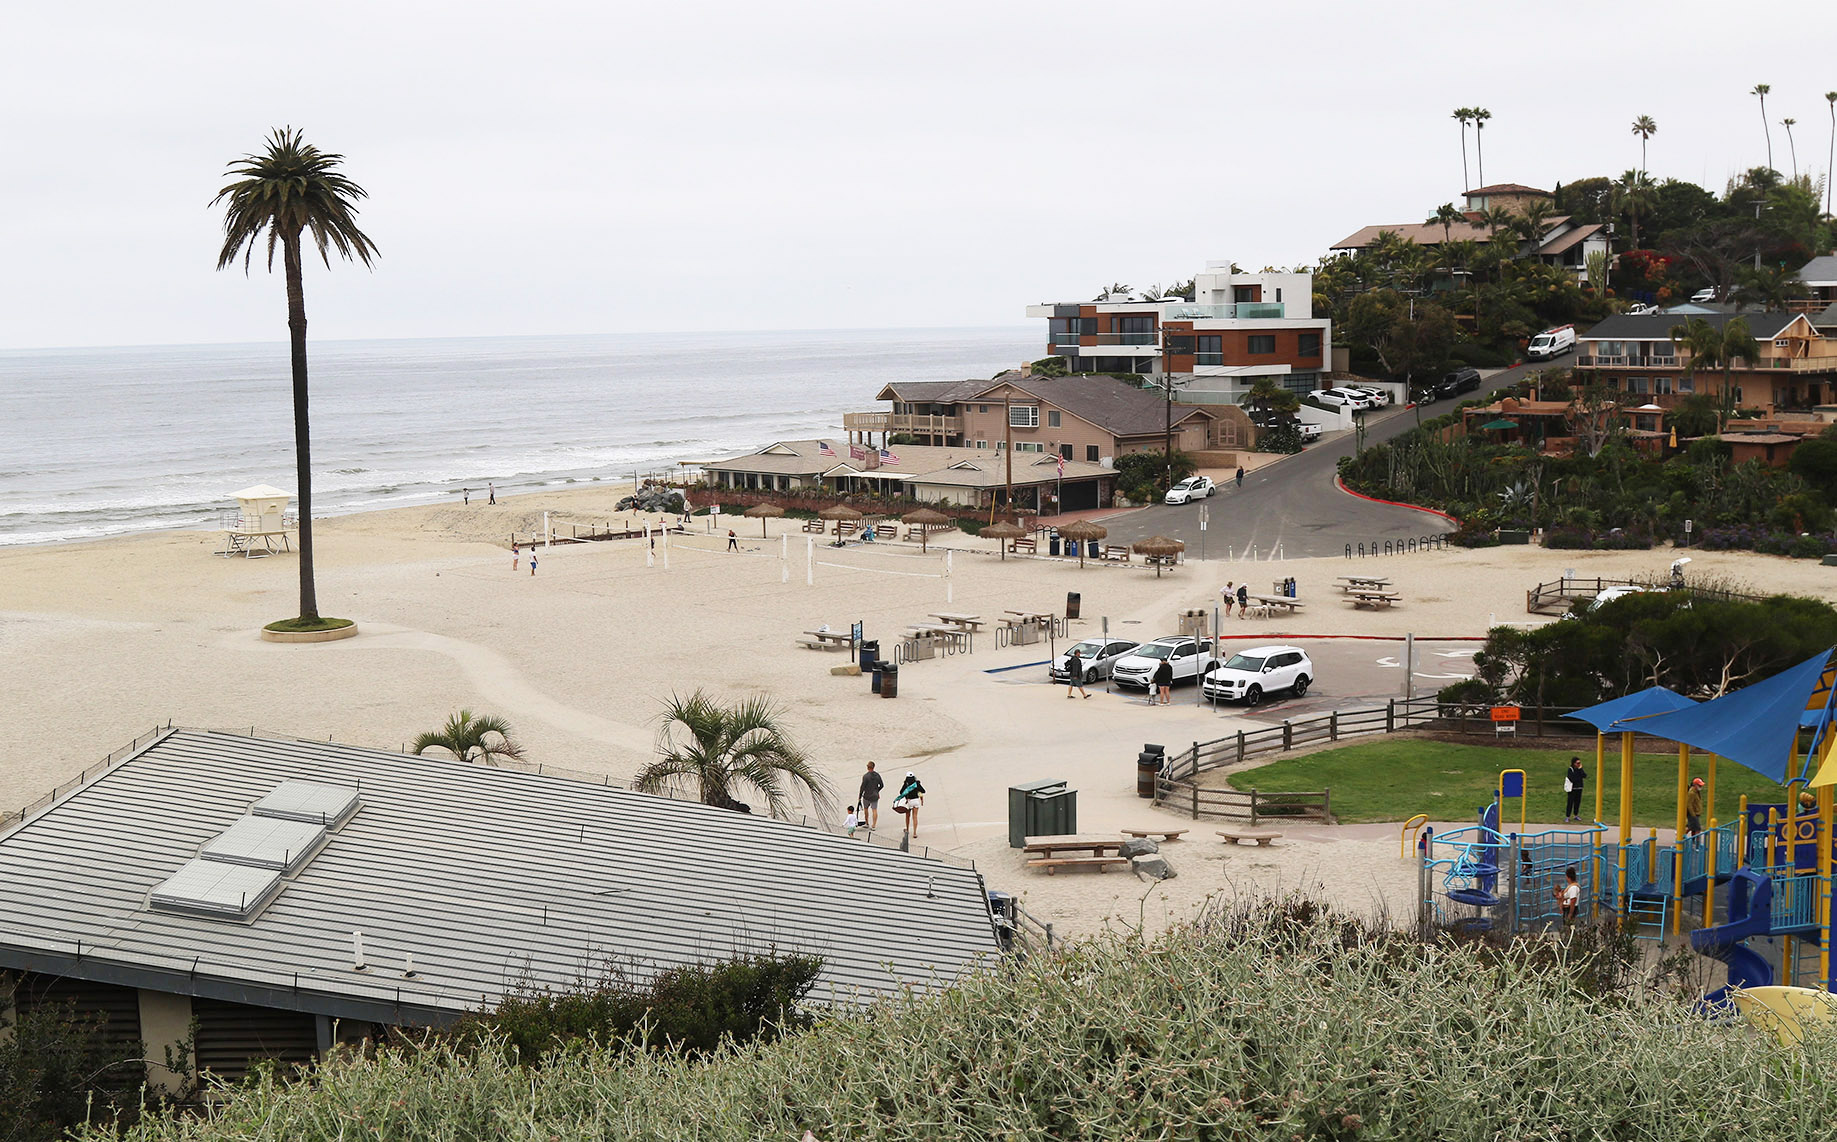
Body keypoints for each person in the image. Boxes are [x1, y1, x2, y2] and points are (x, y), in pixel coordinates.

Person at [895, 770, 926, 837]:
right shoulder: (916, 783)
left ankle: (907, 829)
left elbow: (901, 792)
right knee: (915, 817)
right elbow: (923, 791)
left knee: (907, 816)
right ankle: (914, 833)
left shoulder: (906, 784)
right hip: (916, 801)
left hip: (908, 802)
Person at [858, 761, 883, 830]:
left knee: (866, 809)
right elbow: (882, 785)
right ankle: (874, 825)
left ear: (867, 767)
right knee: (874, 810)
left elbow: (862, 787)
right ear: (873, 767)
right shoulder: (877, 775)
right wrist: (877, 791)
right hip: (875, 795)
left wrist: (860, 796)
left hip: (867, 795)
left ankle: (867, 823)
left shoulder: (865, 776)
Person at [1563, 756, 1587, 823]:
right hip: (1572, 789)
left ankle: (1576, 815)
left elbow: (1584, 775)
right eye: (1577, 763)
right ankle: (1567, 816)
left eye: (1580, 763)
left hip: (1579, 788)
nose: (1579, 764)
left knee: (1577, 802)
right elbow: (1572, 779)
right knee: (1570, 803)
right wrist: (1579, 777)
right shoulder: (1570, 769)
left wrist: (1580, 769)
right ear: (1574, 763)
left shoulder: (1579, 769)